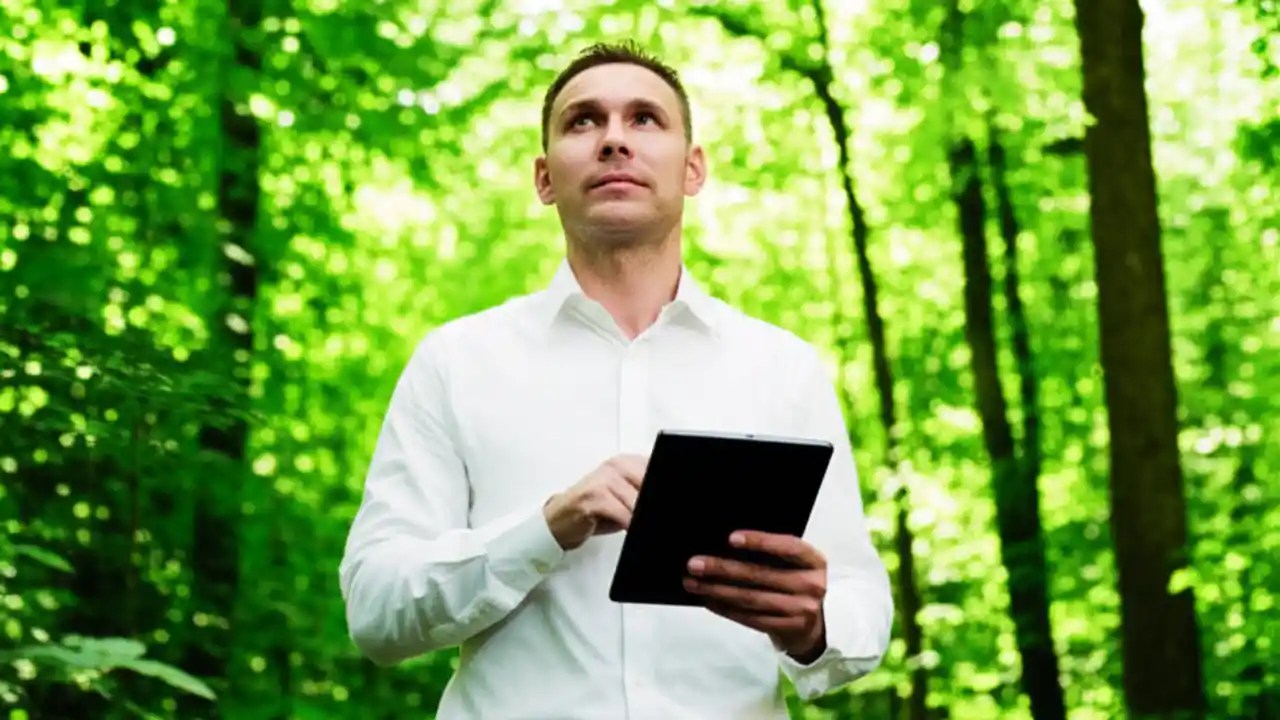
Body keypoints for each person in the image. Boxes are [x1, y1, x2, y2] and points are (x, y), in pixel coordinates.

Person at [338, 40, 894, 719]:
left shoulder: (781, 368)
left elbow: (860, 602)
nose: (613, 141)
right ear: (544, 179)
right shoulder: (456, 362)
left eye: (645, 119)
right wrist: (545, 527)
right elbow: (375, 610)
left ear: (693, 170)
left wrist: (812, 627)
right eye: (583, 121)